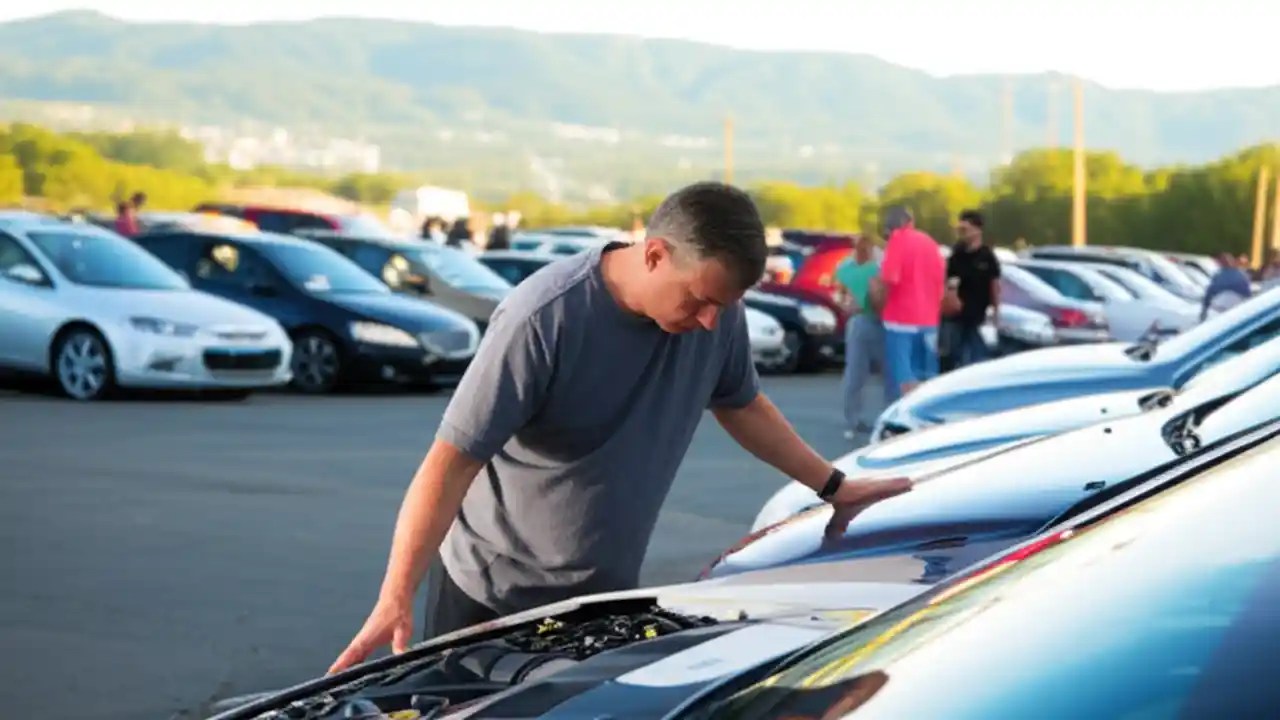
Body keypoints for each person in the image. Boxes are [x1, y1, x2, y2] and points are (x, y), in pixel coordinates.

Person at [328, 182, 914, 673]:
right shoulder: (543, 318)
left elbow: (743, 406)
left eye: (724, 305)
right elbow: (452, 460)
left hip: (605, 599)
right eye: (700, 299)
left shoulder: (717, 315)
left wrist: (834, 487)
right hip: (489, 601)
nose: (711, 321)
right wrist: (396, 592)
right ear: (654, 254)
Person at [876, 206, 945, 403]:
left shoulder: (898, 240)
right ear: (911, 222)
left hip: (901, 320)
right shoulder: (930, 243)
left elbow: (890, 278)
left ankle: (905, 421)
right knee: (927, 374)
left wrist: (880, 304)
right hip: (929, 320)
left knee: (903, 376)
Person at [833, 234, 884, 438]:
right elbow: (841, 294)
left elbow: (841, 294)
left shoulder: (866, 267)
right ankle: (854, 418)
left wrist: (845, 303)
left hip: (870, 320)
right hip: (868, 319)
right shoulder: (855, 267)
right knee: (859, 371)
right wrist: (846, 303)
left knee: (859, 371)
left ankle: (855, 418)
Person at [944, 210, 1001, 369]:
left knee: (978, 359)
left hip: (978, 318)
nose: (962, 234)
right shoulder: (956, 255)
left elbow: (994, 286)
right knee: (954, 357)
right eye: (960, 230)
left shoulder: (987, 257)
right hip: (956, 317)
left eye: (965, 229)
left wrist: (996, 313)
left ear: (977, 230)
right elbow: (948, 282)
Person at [1202, 253, 1253, 319]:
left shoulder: (1218, 276)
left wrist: (1204, 310)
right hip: (1235, 310)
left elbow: (1209, 294)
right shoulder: (1242, 276)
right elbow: (1247, 295)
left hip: (1220, 309)